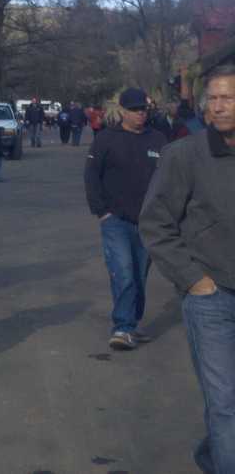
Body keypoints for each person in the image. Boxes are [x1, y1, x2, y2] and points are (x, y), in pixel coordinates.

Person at [141, 65, 235, 474]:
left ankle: (215, 455)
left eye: (228, 97)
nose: (218, 106)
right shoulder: (184, 156)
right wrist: (194, 280)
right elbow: (155, 222)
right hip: (212, 297)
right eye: (212, 98)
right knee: (225, 401)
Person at [83, 88, 167, 351]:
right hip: (116, 220)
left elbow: (169, 178)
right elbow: (91, 177)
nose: (140, 113)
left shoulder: (158, 140)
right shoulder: (106, 140)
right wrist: (102, 211)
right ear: (122, 111)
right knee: (124, 272)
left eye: (143, 109)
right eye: (134, 109)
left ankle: (133, 322)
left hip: (149, 221)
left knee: (139, 276)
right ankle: (122, 327)